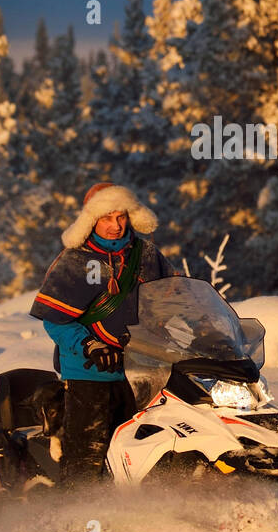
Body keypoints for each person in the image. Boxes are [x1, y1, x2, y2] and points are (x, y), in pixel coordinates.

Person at [29, 182, 178, 487]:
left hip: (142, 369)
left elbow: (174, 295)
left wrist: (197, 325)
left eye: (120, 216)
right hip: (90, 371)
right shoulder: (74, 261)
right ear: (91, 219)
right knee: (87, 457)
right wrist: (90, 344)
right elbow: (55, 321)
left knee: (144, 451)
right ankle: (74, 520)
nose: (114, 225)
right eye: (106, 218)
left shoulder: (148, 255)